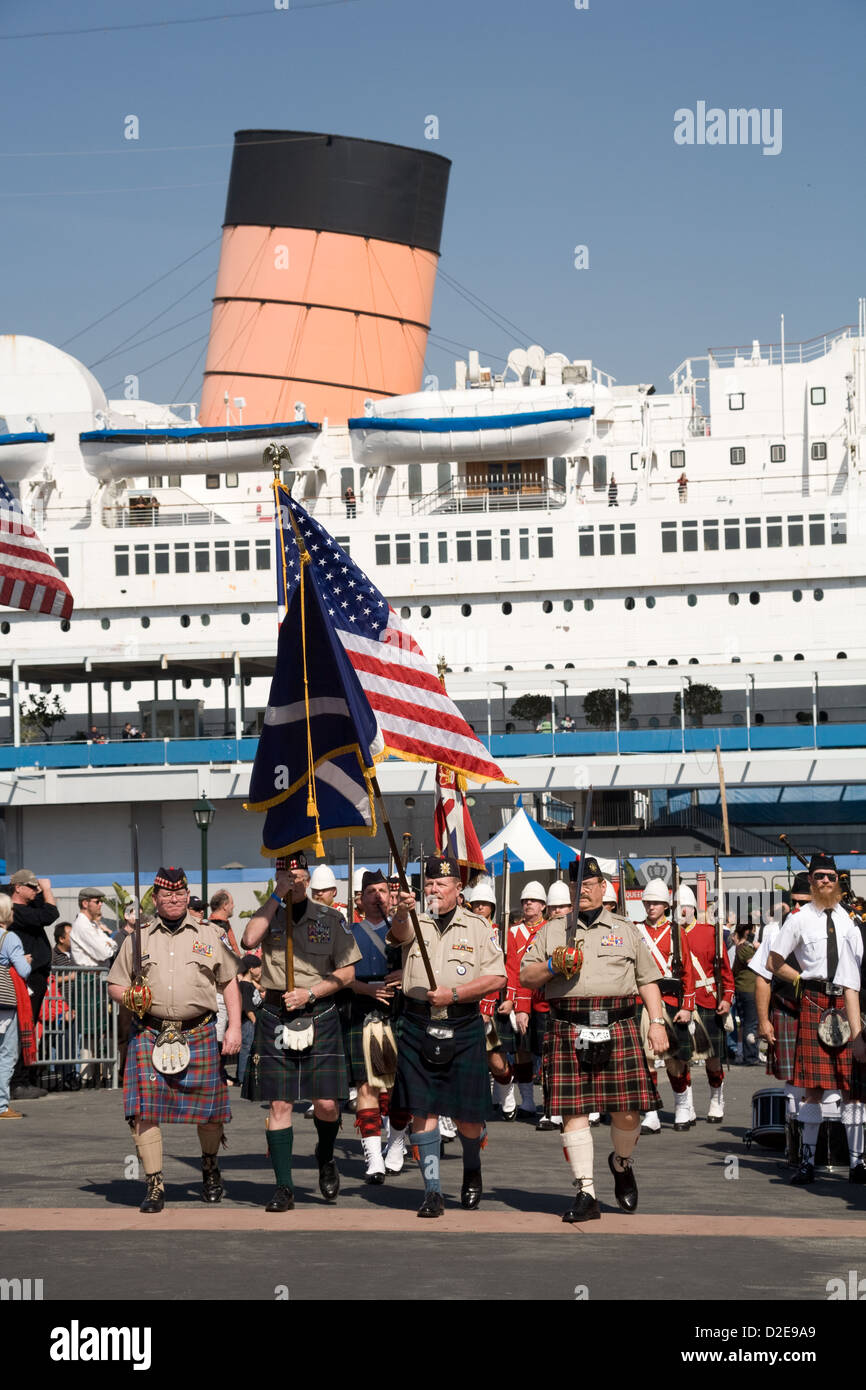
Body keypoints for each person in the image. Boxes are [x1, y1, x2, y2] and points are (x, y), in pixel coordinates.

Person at [520, 856, 668, 1223]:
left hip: (617, 1025)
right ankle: (586, 1192)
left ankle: (621, 1163)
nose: (583, 890)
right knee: (574, 1113)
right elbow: (526, 976)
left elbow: (648, 979)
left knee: (629, 1113)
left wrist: (657, 1023)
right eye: (577, 886)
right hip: (568, 1026)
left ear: (604, 888)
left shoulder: (626, 929)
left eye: (590, 884)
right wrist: (554, 965)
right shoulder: (554, 930)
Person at [107, 866, 241, 1212]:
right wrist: (129, 997)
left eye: (181, 894)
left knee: (211, 1112)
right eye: (168, 895)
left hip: (198, 1030)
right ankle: (154, 1184)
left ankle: (209, 1166)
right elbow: (115, 983)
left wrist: (235, 1028)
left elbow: (229, 983)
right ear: (156, 897)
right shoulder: (137, 938)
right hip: (150, 1031)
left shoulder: (210, 934)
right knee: (143, 1111)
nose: (175, 899)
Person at [241, 850, 361, 1212]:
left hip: (318, 1011)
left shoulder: (330, 918)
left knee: (326, 1103)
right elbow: (248, 940)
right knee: (280, 1102)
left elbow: (348, 973)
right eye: (284, 875)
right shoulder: (268, 915)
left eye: (296, 876)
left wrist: (311, 991)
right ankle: (284, 1187)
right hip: (276, 1013)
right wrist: (277, 894)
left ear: (308, 879)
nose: (292, 881)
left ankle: (325, 1155)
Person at [388, 854, 507, 1218]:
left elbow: (497, 978)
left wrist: (454, 994)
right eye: (428, 884)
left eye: (441, 884)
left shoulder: (478, 927)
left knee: (468, 1117)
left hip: (462, 1024)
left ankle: (472, 1169)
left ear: (459, 889)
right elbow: (397, 934)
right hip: (417, 1023)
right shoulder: (415, 921)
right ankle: (433, 1190)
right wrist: (403, 910)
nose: (433, 889)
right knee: (422, 1109)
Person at [768, 853, 863, 1185]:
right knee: (813, 1089)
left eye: (831, 877)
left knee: (853, 1088)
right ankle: (807, 1162)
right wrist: (800, 980)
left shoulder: (849, 919)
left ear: (838, 881)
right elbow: (774, 961)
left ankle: (857, 1163)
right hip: (815, 1000)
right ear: (810, 880)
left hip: (848, 1000)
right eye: (820, 876)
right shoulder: (798, 920)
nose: (826, 881)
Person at [345, 870, 408, 1182]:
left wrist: (405, 974)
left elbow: (424, 965)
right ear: (360, 898)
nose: (377, 896)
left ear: (390, 895)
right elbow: (340, 976)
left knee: (397, 1087)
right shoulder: (349, 932)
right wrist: (365, 989)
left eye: (382, 890)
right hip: (361, 1008)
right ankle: (373, 1157)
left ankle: (396, 1143)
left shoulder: (404, 930)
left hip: (398, 1010)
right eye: (370, 891)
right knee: (366, 1086)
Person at [633, 878, 695, 1134]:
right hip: (642, 1001)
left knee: (674, 1060)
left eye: (656, 903)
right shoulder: (635, 930)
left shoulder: (676, 931)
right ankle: (651, 1113)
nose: (651, 907)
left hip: (671, 1000)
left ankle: (682, 1105)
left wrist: (688, 1006)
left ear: (665, 905)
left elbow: (688, 971)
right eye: (648, 902)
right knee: (645, 1060)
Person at [750, 871, 811, 1130]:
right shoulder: (775, 929)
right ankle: (794, 1138)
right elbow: (763, 978)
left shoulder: (832, 927)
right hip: (786, 1009)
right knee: (792, 1078)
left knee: (821, 1079)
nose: (796, 908)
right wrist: (764, 1021)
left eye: (804, 902)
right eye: (794, 901)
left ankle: (820, 1135)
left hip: (822, 1010)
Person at [679, 883, 735, 1122]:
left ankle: (716, 1098)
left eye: (684, 907)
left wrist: (727, 998)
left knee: (712, 1055)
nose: (681, 911)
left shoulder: (709, 932)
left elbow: (725, 972)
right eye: (677, 907)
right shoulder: (670, 934)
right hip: (681, 1002)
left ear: (692, 908)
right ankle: (687, 1105)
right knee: (683, 1056)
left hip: (707, 998)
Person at [2, 870, 58, 1100]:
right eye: (32, 887)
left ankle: (21, 1079)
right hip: (24, 978)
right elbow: (50, 914)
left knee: (26, 1027)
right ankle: (16, 1082)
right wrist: (47, 889)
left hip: (34, 976)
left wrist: (38, 889)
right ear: (17, 888)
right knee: (18, 1029)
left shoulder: (28, 907)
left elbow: (44, 910)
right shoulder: (16, 912)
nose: (37, 892)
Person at [466, 880, 515, 1121]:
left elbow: (510, 969)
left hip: (492, 1005)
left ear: (492, 908)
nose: (479, 909)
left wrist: (510, 999)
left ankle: (507, 1093)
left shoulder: (501, 933)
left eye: (484, 905)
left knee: (496, 1060)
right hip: (467, 1004)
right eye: (475, 905)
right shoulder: (465, 932)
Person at [0, 894, 33, 1119]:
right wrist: (26, 961)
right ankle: (1, 1105)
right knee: (7, 1054)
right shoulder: (9, 938)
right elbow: (23, 970)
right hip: (4, 1002)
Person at [732, 925, 759, 1064]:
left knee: (748, 1023)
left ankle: (750, 1054)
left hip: (746, 988)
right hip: (748, 989)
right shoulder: (745, 949)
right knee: (751, 1023)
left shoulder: (744, 947)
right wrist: (761, 950)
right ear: (748, 932)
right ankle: (751, 1056)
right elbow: (755, 964)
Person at [70, 888, 115, 969]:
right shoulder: (82, 925)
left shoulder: (92, 924)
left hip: (96, 976)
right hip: (88, 977)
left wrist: (109, 944)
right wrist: (108, 945)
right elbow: (104, 954)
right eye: (97, 902)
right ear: (85, 903)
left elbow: (114, 944)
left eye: (101, 902)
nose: (100, 904)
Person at [236, 954, 263, 1088]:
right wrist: (255, 1021)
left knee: (249, 1048)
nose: (261, 970)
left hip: (250, 1021)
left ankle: (246, 1077)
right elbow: (247, 1007)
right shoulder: (245, 986)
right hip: (248, 1022)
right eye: (259, 967)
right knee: (246, 1048)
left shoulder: (250, 985)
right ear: (251, 969)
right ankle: (242, 1078)